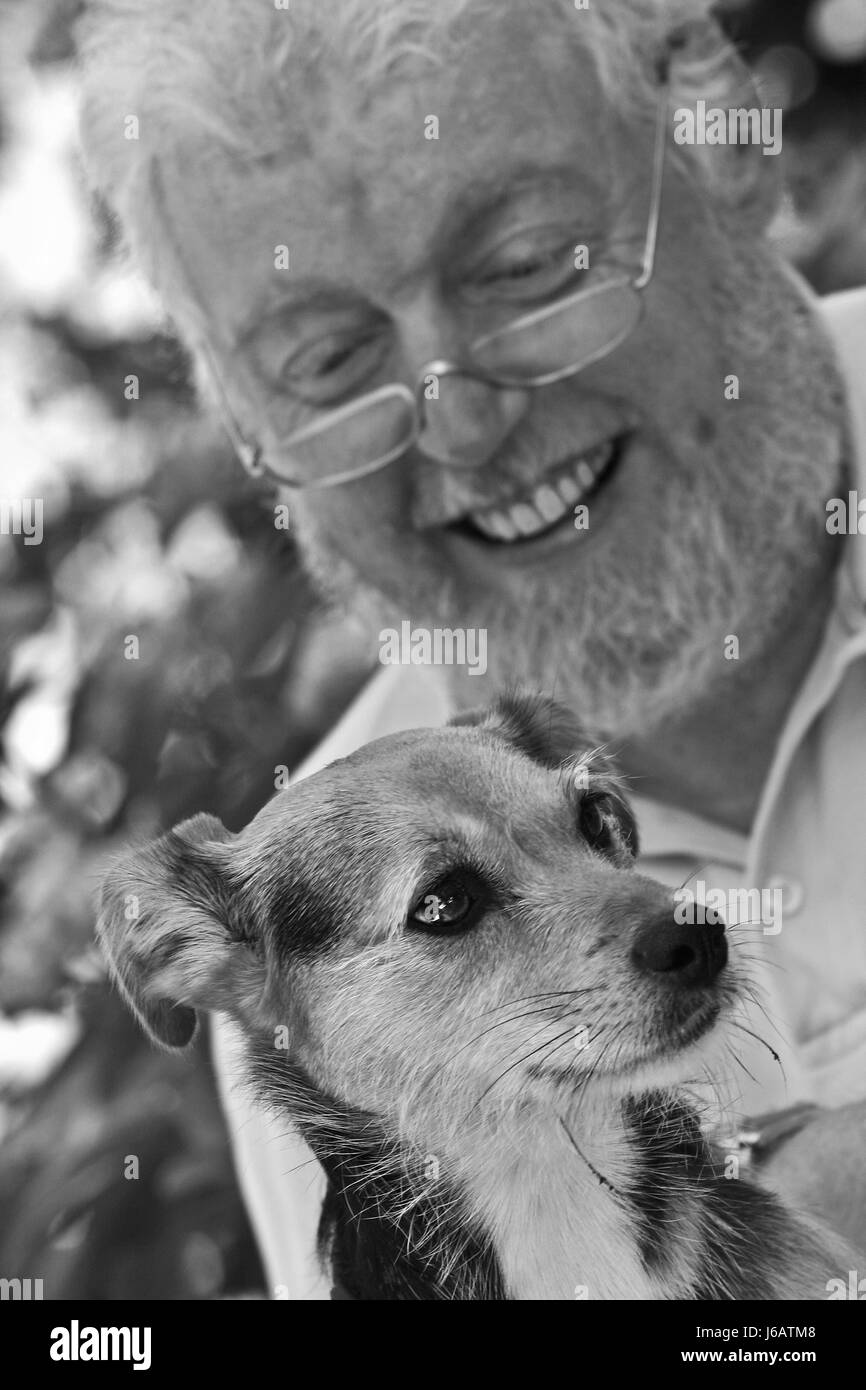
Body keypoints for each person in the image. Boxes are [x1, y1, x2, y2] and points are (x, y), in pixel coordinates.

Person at [78, 0, 866, 1298]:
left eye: (525, 262)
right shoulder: (305, 979)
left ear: (719, 136)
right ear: (245, 426)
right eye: (331, 360)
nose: (460, 423)